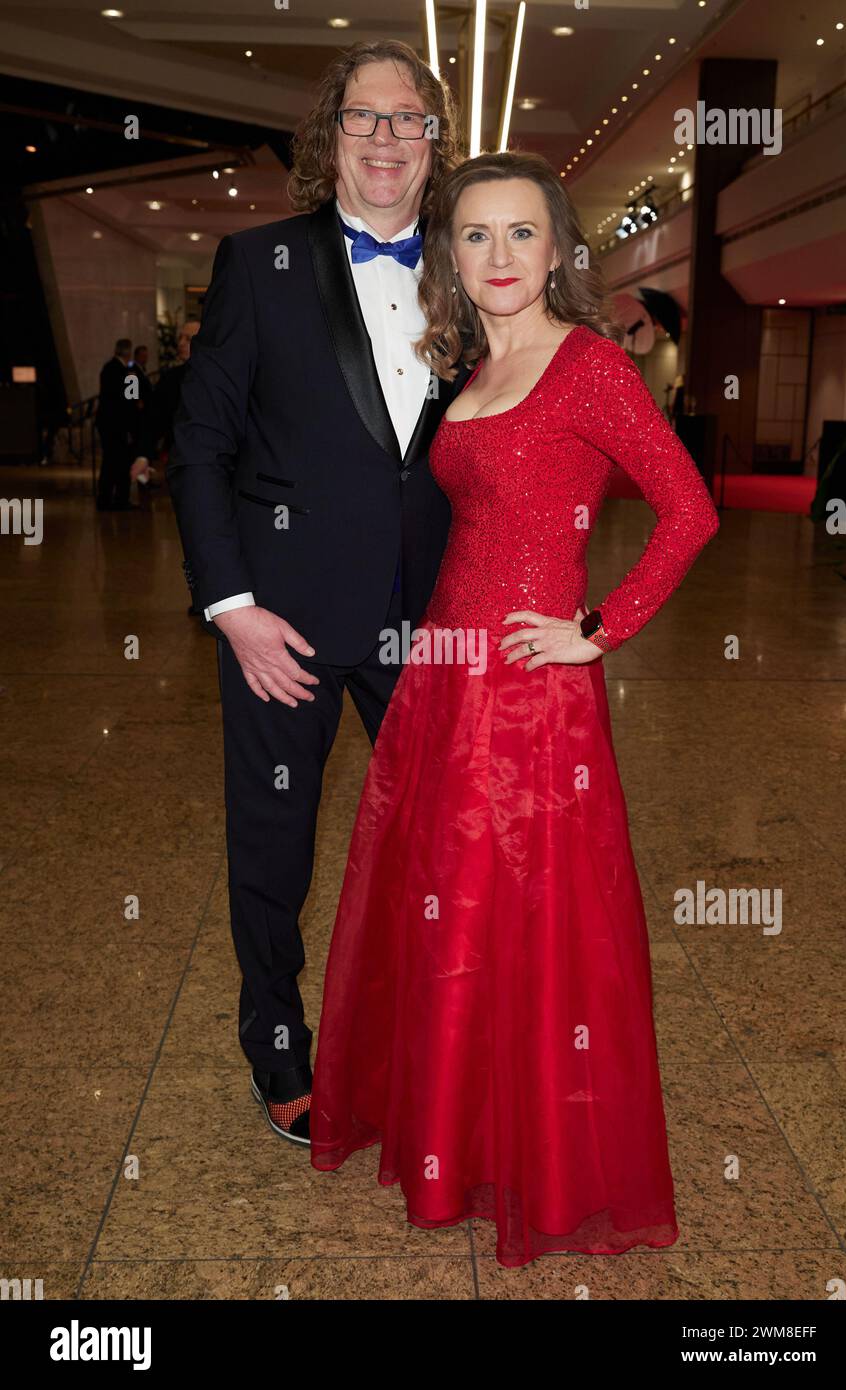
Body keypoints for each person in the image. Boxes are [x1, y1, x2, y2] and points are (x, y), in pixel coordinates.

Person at [308, 150, 720, 1268]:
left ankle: (526, 1150)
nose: (497, 255)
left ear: (558, 250)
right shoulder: (471, 367)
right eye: (475, 235)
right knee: (442, 907)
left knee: (522, 924)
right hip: (445, 675)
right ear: (450, 253)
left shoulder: (586, 365)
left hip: (530, 702)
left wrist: (595, 628)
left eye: (521, 233)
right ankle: (451, 1128)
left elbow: (688, 510)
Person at [166, 41, 466, 1143]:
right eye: (365, 119)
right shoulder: (259, 261)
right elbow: (198, 447)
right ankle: (278, 1047)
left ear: (435, 145)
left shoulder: (471, 267)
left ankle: (420, 1038)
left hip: (426, 625)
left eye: (409, 121)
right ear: (329, 137)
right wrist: (231, 607)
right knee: (274, 847)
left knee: (437, 844)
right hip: (280, 622)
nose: (386, 140)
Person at [131, 320, 200, 494]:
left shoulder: (225, 379)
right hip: (183, 467)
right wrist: (143, 455)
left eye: (188, 339)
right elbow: (154, 417)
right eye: (180, 338)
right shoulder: (170, 379)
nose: (181, 343)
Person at [95, 337, 137, 510]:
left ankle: (106, 499)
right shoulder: (127, 372)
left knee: (110, 462)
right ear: (128, 352)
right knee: (120, 461)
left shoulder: (108, 368)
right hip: (118, 424)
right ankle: (120, 499)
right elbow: (130, 400)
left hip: (107, 422)